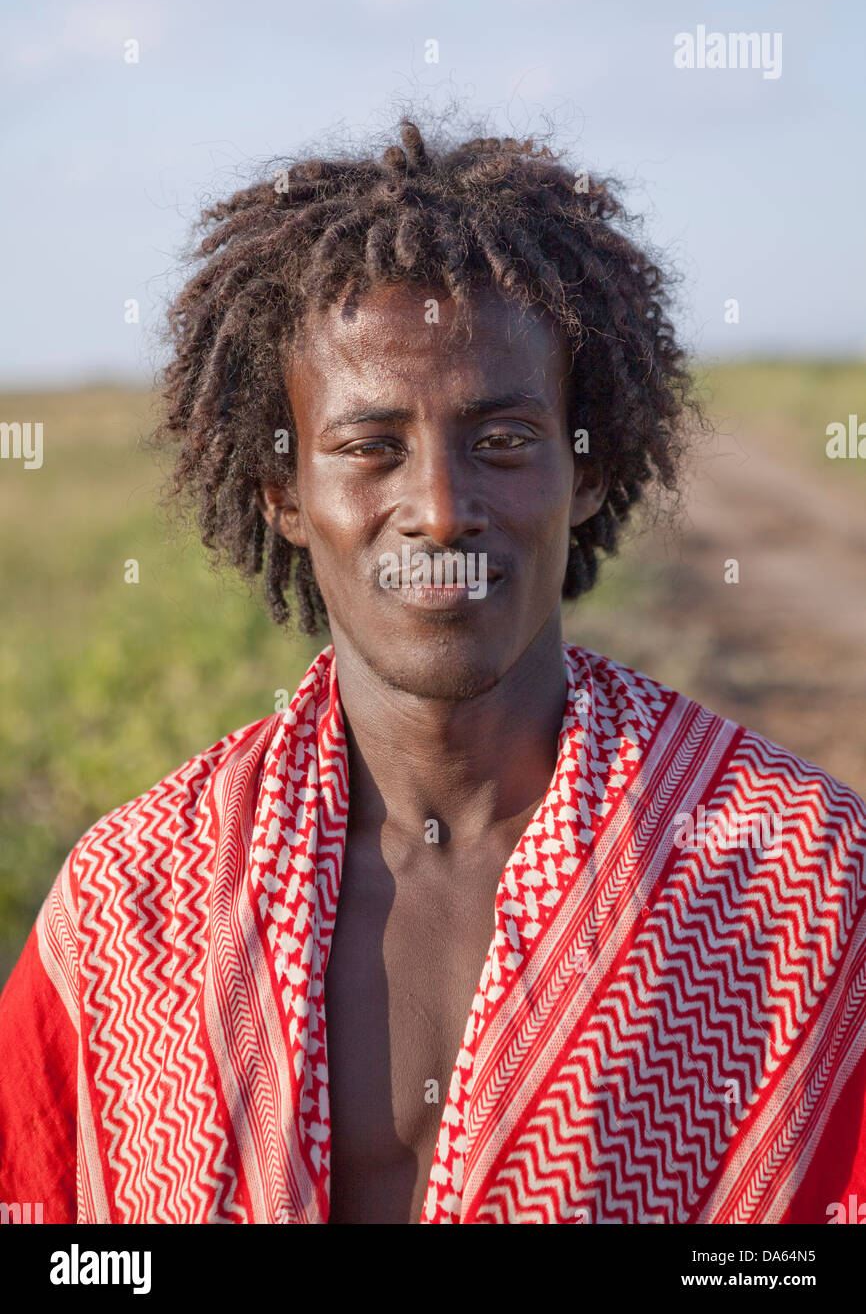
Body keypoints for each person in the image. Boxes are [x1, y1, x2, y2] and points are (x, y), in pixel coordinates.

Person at [1, 121, 864, 1225]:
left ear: (586, 471)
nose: (443, 508)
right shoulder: (136, 905)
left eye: (501, 439)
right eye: (370, 447)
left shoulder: (791, 875)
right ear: (282, 494)